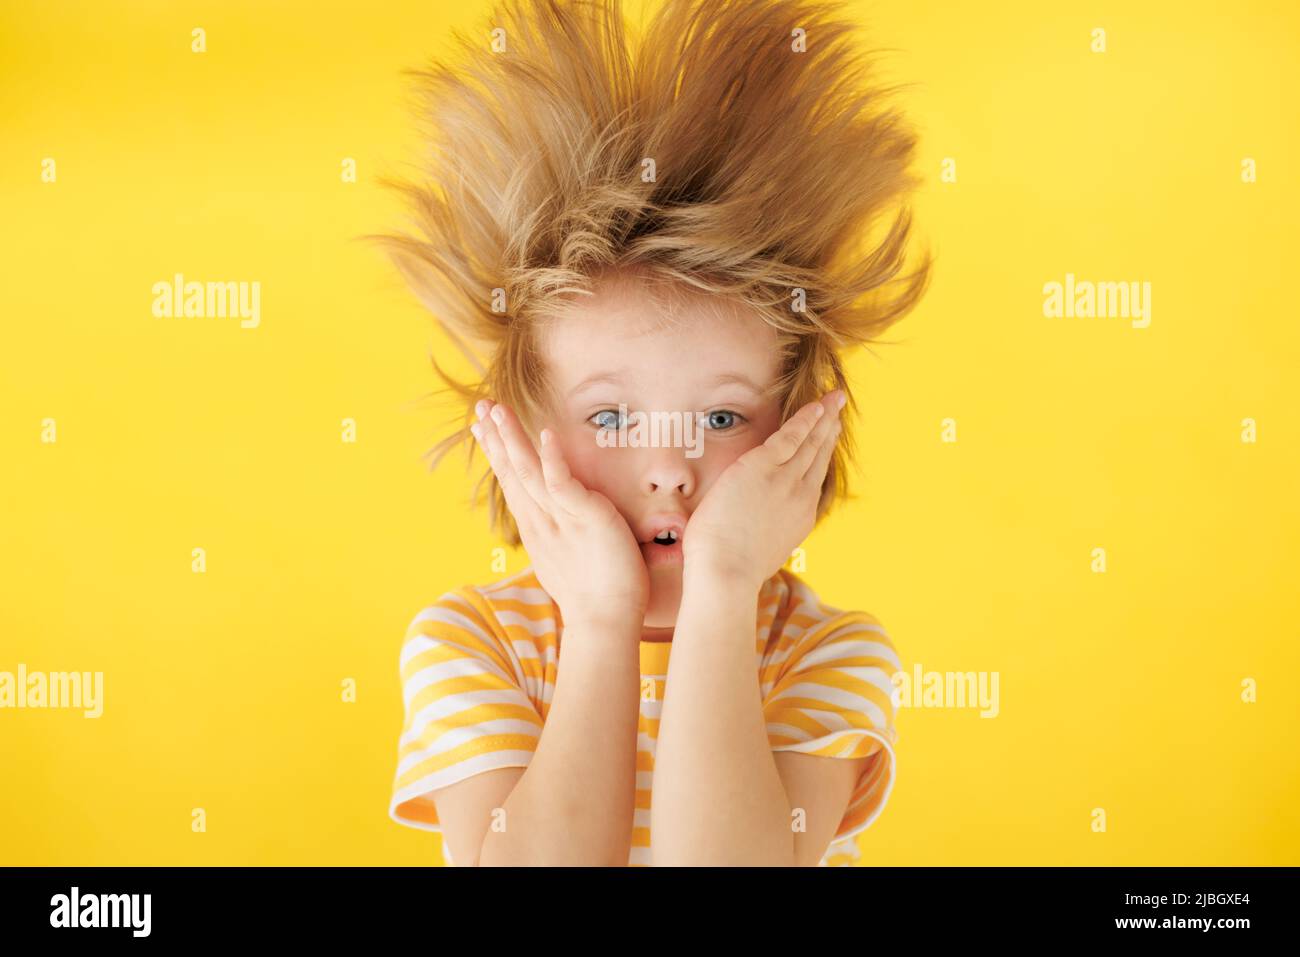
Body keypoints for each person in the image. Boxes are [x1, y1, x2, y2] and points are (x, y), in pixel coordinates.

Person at [371, 0, 932, 865]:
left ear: (799, 429)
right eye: (611, 417)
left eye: (721, 416)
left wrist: (722, 590)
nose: (671, 466)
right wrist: (601, 622)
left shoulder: (825, 652)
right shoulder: (471, 642)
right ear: (523, 438)